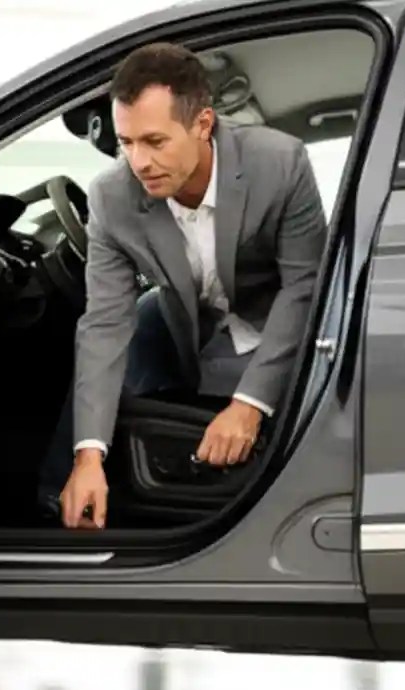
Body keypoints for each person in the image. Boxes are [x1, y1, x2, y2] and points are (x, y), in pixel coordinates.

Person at [39, 41, 329, 529]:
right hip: (184, 312)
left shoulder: (279, 164)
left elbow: (305, 287)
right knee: (123, 337)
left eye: (154, 141)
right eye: (126, 143)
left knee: (229, 417)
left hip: (267, 313)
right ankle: (61, 501)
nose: (139, 162)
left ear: (203, 124)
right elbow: (105, 321)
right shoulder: (111, 197)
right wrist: (87, 456)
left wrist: (249, 404)